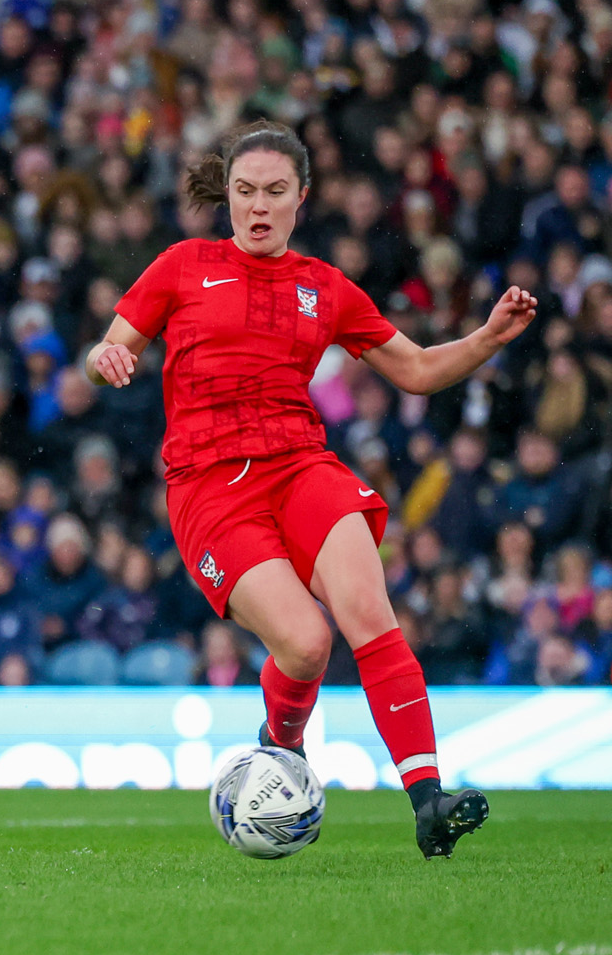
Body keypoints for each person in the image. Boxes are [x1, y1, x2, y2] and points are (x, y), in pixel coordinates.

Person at [84, 121, 535, 859]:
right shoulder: (184, 265)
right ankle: (280, 745)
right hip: (210, 485)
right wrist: (106, 358)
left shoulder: (324, 287)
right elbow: (111, 346)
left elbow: (417, 370)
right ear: (228, 196)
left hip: (300, 465)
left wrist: (486, 339)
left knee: (369, 613)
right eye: (244, 191)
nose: (258, 206)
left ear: (302, 197)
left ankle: (429, 800)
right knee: (305, 644)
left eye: (274, 191)